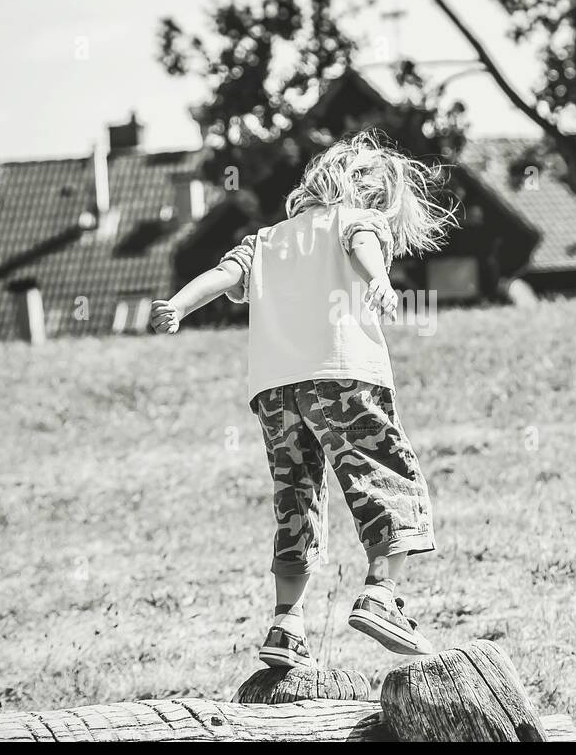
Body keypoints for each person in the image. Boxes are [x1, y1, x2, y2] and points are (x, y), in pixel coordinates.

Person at [150, 131, 455, 668]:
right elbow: (363, 246)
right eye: (380, 200)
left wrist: (176, 306)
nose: (381, 213)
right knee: (385, 476)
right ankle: (383, 595)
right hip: (343, 375)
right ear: (361, 192)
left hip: (275, 392)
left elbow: (223, 279)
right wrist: (381, 281)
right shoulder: (355, 220)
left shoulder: (267, 239)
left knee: (296, 499)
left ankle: (285, 626)